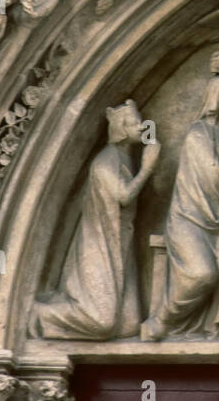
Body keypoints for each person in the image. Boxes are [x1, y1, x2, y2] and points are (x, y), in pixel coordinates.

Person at [31, 101, 160, 340]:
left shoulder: (123, 158)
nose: (142, 127)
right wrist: (147, 168)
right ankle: (41, 316)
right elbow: (123, 196)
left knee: (130, 326)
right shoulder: (105, 161)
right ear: (121, 130)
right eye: (134, 123)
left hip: (120, 244)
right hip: (99, 245)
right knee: (102, 323)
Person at [143, 76, 219, 341]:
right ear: (216, 97)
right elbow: (215, 176)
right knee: (203, 274)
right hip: (190, 219)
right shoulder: (198, 134)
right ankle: (163, 318)